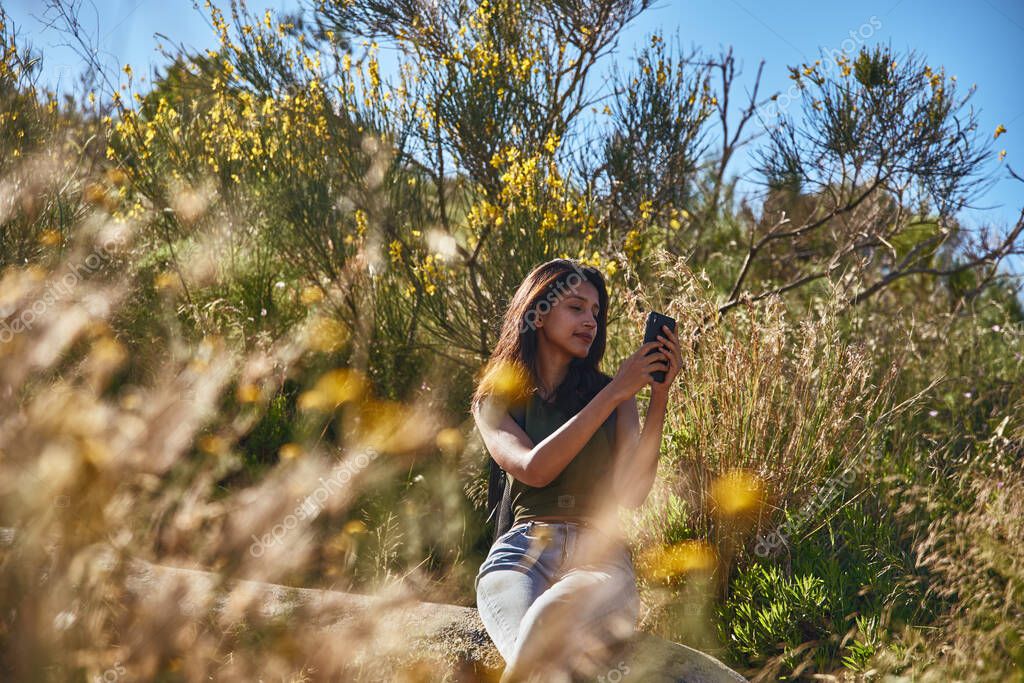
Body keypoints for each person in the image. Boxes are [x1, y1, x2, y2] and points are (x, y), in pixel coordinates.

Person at [470, 258, 682, 682]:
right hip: (520, 554)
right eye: (576, 307)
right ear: (539, 311)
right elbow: (534, 469)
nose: (590, 321)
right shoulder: (495, 399)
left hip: (599, 558)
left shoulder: (615, 396)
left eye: (596, 313)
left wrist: (656, 398)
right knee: (536, 657)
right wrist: (616, 391)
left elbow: (632, 493)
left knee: (549, 619)